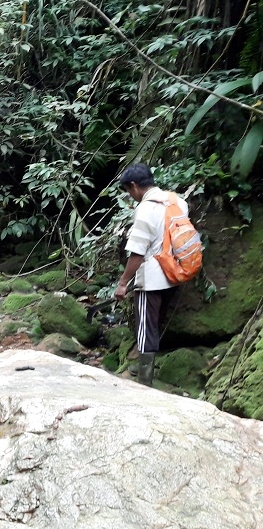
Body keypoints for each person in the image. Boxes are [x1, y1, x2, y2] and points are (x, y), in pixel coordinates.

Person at [113, 162, 184, 386]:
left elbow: (137, 252)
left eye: (128, 191)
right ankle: (152, 378)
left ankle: (145, 385)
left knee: (146, 330)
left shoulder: (145, 208)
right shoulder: (176, 201)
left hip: (152, 279)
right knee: (157, 322)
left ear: (134, 186)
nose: (130, 196)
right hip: (175, 272)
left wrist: (123, 283)